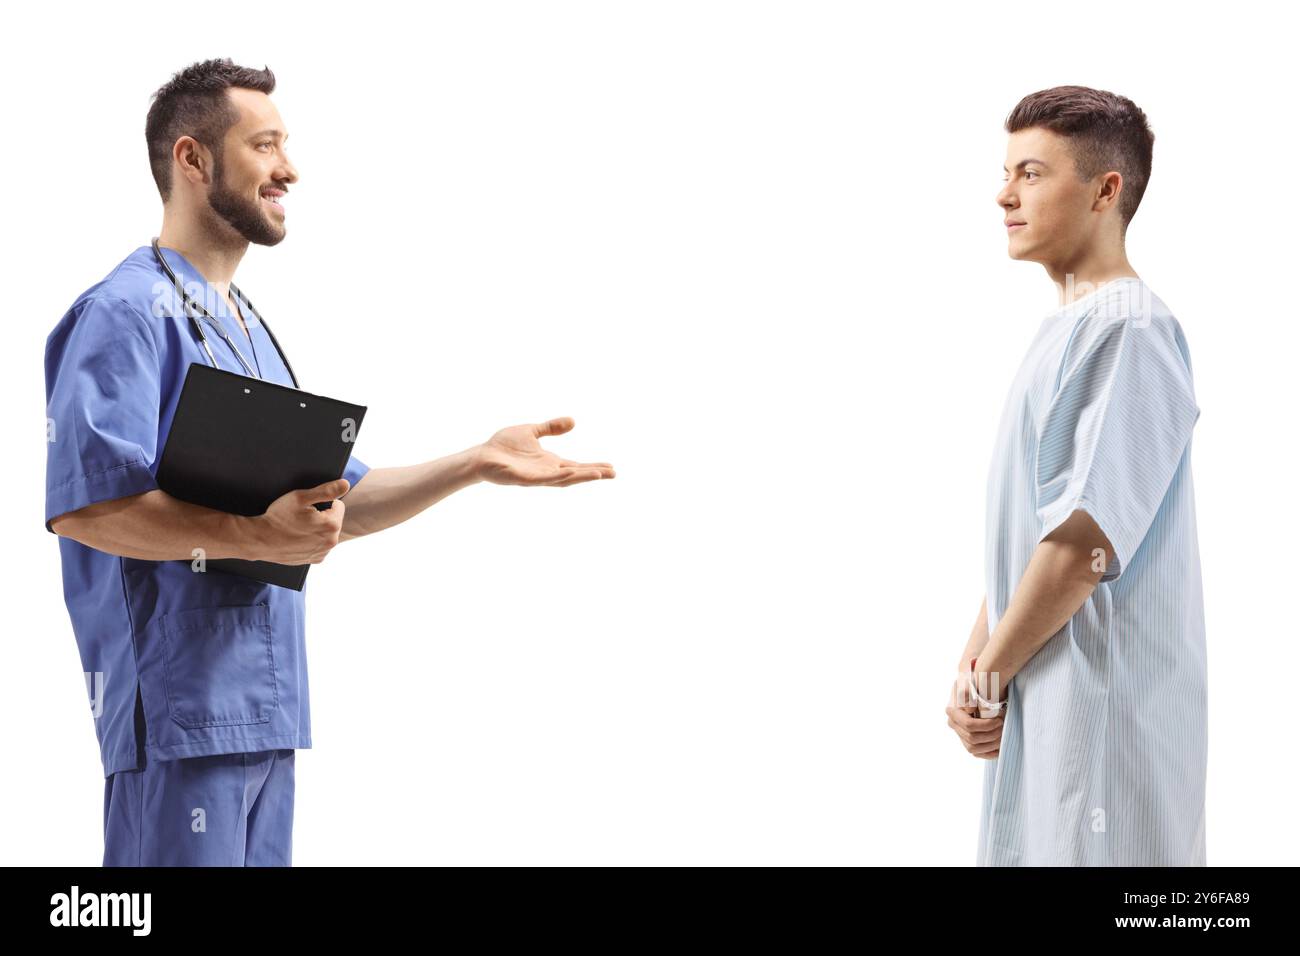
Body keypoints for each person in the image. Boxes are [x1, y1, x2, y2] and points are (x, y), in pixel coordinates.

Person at [44, 58, 615, 866]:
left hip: (266, 715)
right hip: (180, 722)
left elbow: (335, 500)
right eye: (265, 144)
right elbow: (88, 508)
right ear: (192, 159)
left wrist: (474, 463)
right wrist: (254, 536)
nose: (290, 168)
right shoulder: (125, 314)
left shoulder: (245, 327)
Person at [944, 86, 1206, 865]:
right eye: (1006, 172)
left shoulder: (1129, 329)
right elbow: (1040, 531)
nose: (1003, 194)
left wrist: (987, 676)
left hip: (1104, 726)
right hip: (1052, 706)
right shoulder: (1070, 330)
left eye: (1030, 172)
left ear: (1105, 190)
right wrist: (976, 666)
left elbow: (1080, 546)